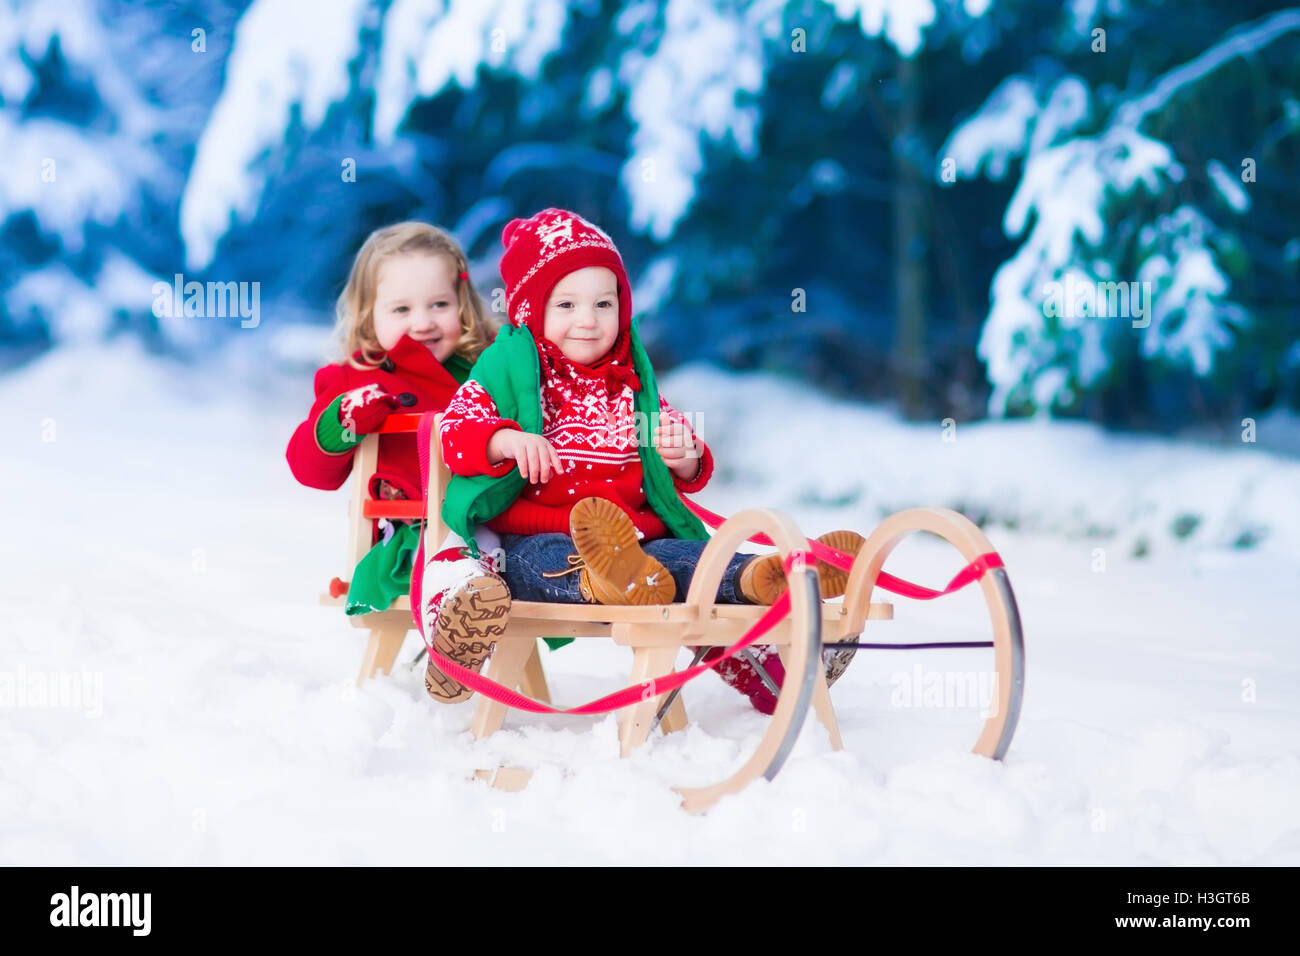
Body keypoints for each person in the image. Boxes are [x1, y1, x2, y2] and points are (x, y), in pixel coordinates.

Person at [426, 208, 863, 712]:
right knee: (555, 561)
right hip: (534, 537)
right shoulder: (511, 367)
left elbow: (676, 453)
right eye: (566, 304)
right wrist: (504, 440)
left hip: (639, 545)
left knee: (694, 562)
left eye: (603, 303)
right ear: (530, 310)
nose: (588, 320)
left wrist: (685, 456)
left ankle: (764, 575)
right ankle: (607, 578)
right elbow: (456, 431)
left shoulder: (629, 380)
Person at [286, 221, 500, 632]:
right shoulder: (357, 379)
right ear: (369, 316)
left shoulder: (488, 367)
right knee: (460, 560)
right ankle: (456, 640)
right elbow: (308, 469)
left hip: (500, 520)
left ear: (463, 304)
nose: (422, 323)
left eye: (439, 304)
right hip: (415, 534)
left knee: (532, 550)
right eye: (401, 309)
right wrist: (341, 424)